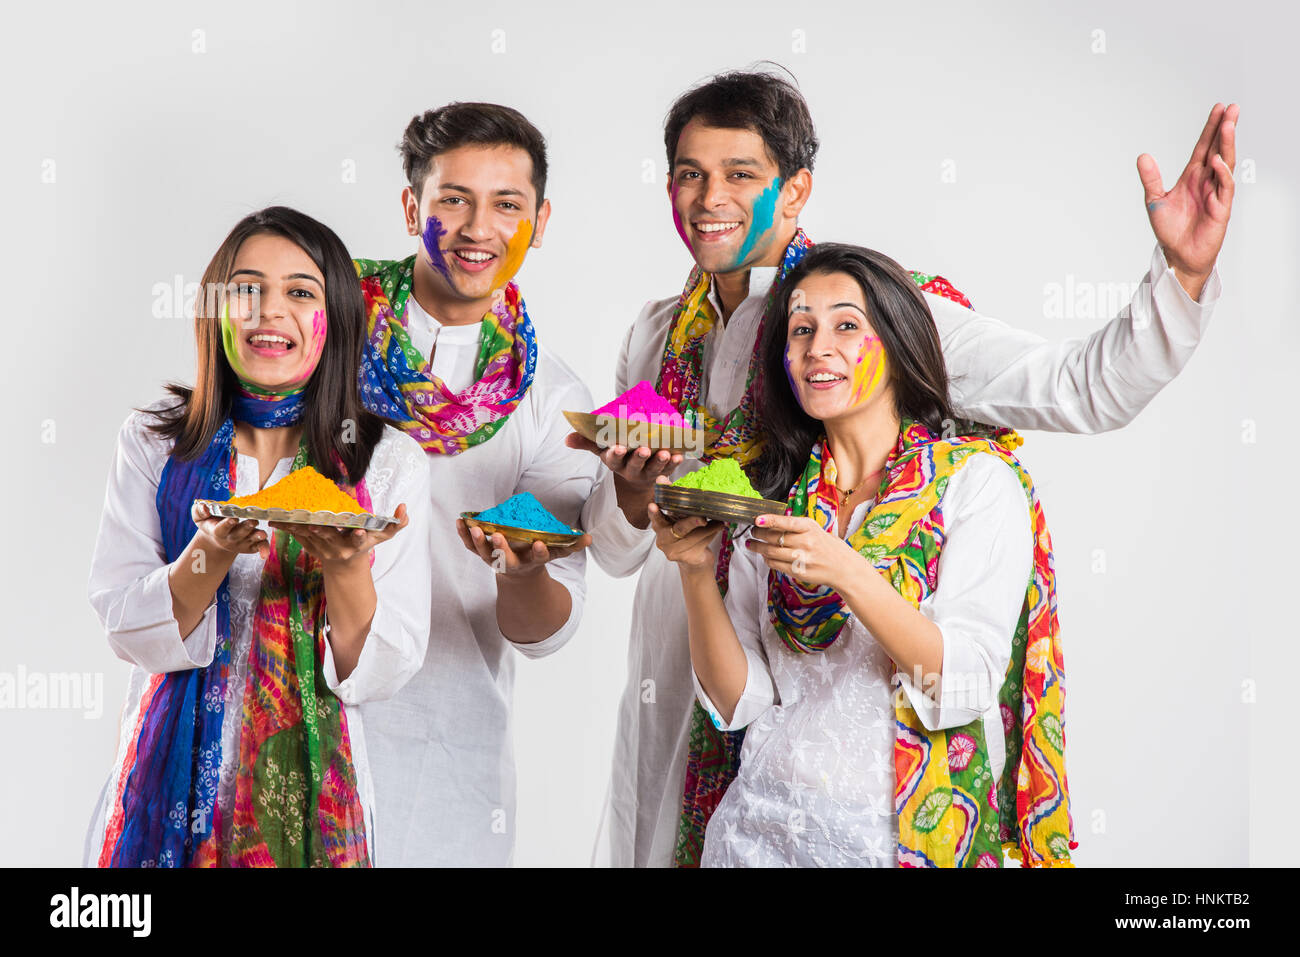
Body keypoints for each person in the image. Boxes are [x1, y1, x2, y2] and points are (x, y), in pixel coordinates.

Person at [576, 67, 1235, 867]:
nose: (708, 196)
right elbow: (612, 549)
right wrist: (635, 492)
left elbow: (1079, 387)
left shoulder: (879, 312)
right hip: (686, 664)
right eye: (689, 173)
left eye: (740, 174)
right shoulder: (654, 337)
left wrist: (1182, 275)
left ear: (795, 190)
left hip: (853, 748)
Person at [650, 243, 1072, 867]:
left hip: (897, 840)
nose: (818, 346)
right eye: (801, 328)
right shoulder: (766, 496)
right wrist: (692, 571)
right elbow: (742, 702)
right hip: (756, 835)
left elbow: (959, 684)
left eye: (847, 325)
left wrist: (847, 571)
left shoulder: (974, 483)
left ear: (900, 346)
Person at [86, 206, 432, 867]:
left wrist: (349, 571)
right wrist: (207, 557)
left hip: (310, 809)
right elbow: (125, 627)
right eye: (247, 289)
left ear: (337, 320)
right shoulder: (155, 444)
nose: (270, 312)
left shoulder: (386, 463)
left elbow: (383, 672)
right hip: (166, 804)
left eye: (301, 292)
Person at [352, 102, 598, 866]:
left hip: (449, 744)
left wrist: (524, 572)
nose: (477, 227)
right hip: (294, 697)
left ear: (541, 219)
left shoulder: (552, 398)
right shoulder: (322, 336)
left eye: (507, 205)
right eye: (452, 199)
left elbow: (545, 629)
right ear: (410, 207)